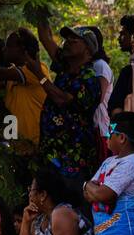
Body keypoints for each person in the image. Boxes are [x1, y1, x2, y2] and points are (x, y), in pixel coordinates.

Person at [36, 27, 102, 187]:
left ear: (87, 48)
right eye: (66, 40)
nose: (66, 43)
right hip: (51, 152)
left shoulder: (89, 77)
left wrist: (40, 76)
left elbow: (62, 99)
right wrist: (39, 9)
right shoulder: (65, 68)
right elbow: (45, 37)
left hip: (73, 158)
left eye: (73, 41)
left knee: (71, 204)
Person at [0, 29, 48, 150]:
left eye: (8, 46)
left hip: (35, 145)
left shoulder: (35, 70)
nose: (4, 49)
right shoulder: (15, 74)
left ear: (21, 48)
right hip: (19, 145)